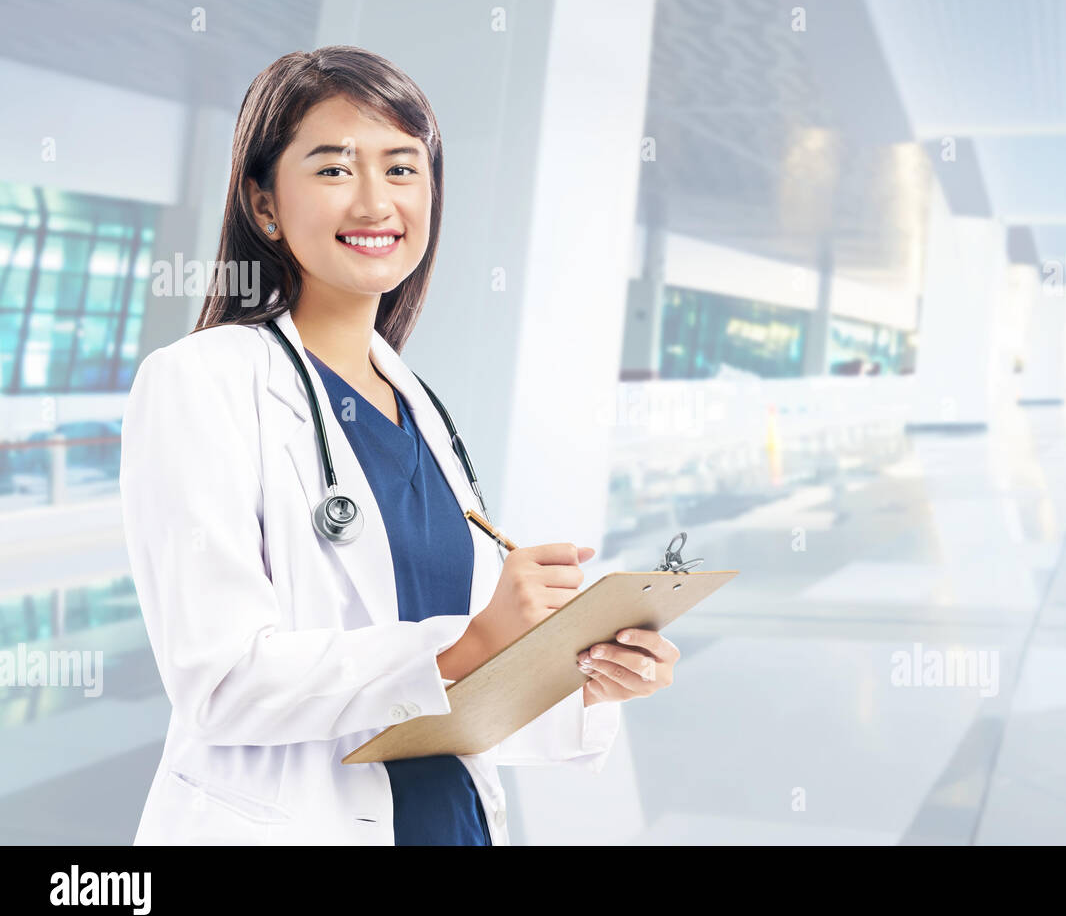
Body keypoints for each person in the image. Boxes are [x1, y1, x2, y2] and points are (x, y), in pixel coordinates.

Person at [119, 45, 680, 845]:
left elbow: (443, 707)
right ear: (265, 204)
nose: (376, 201)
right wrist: (469, 641)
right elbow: (223, 683)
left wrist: (587, 675)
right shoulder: (199, 382)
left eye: (404, 168)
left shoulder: (419, 410)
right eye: (334, 169)